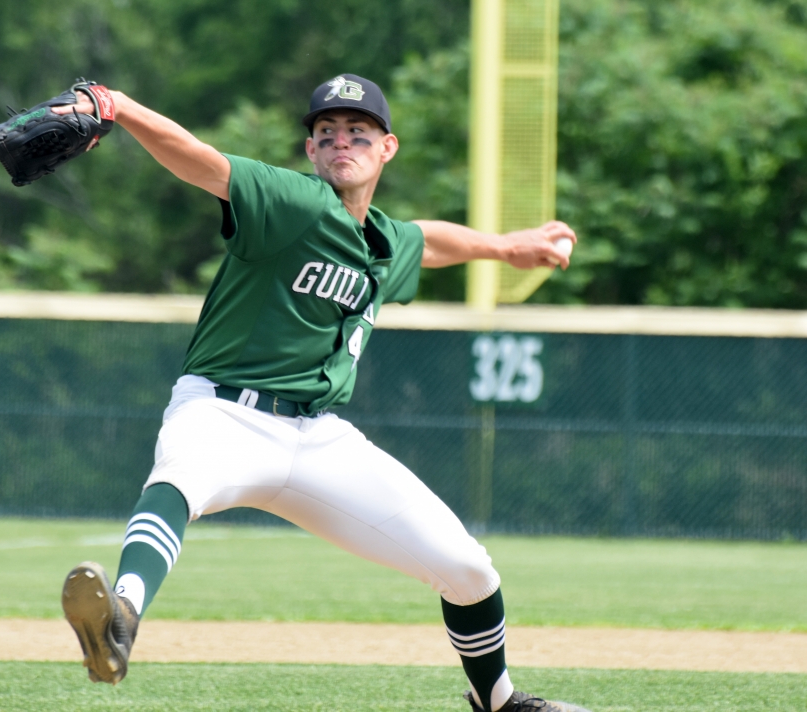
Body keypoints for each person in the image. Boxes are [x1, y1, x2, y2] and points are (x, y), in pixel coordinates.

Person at [57, 74, 580, 712]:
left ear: (387, 148)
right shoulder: (295, 199)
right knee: (177, 484)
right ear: (309, 153)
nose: (340, 142)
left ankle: (497, 702)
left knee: (469, 571)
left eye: (358, 133)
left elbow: (430, 239)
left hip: (320, 438)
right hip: (224, 412)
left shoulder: (383, 240)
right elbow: (204, 164)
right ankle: (120, 620)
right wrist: (120, 106)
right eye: (325, 133)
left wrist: (506, 247)